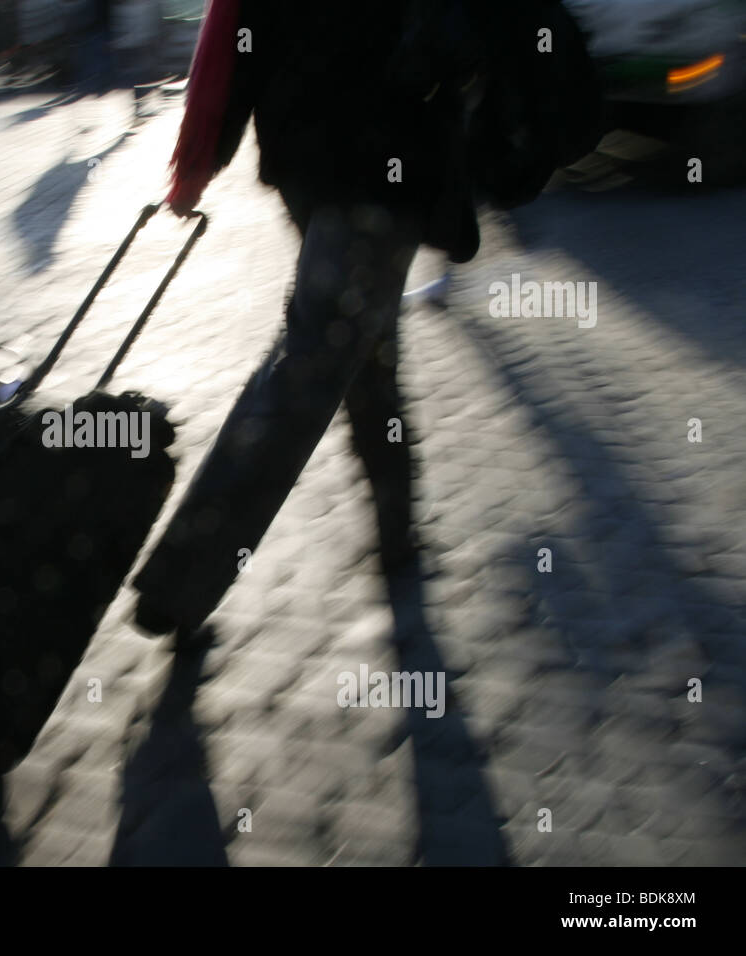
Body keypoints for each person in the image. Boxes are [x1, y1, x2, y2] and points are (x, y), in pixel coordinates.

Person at [132, 0, 603, 641]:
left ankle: (397, 534)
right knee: (315, 363)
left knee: (359, 345)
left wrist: (198, 160)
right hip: (382, 157)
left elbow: (231, 34)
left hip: (312, 153)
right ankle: (179, 585)